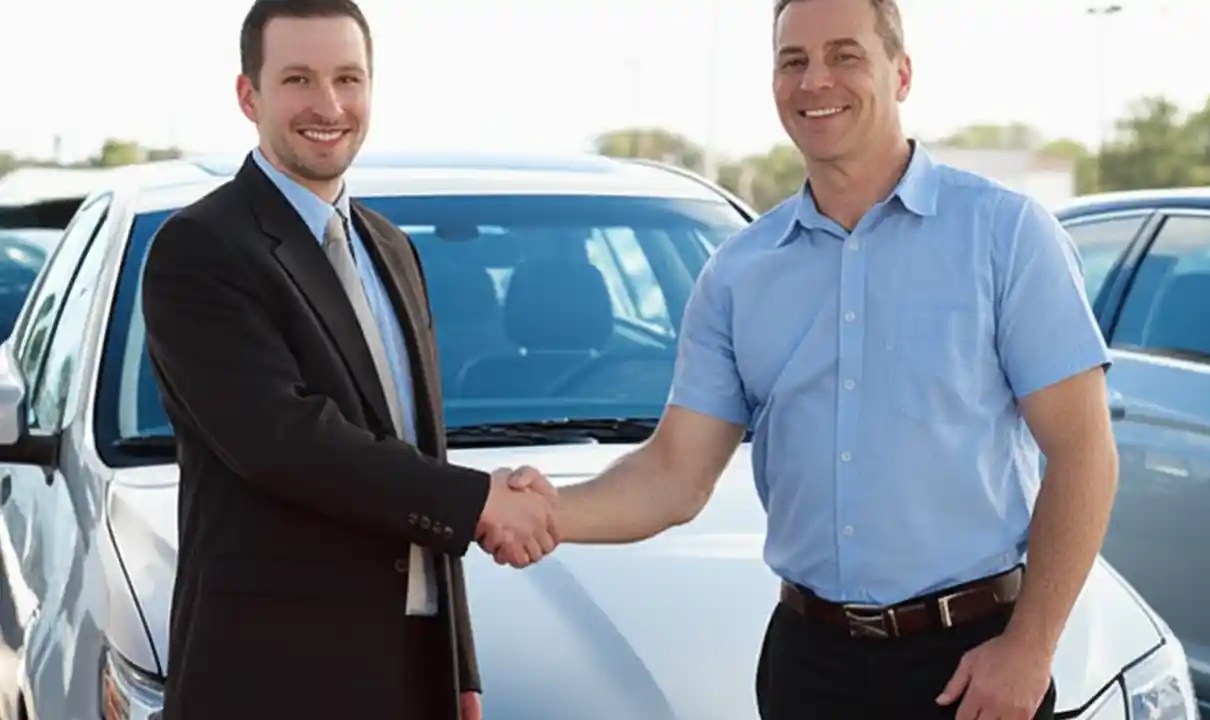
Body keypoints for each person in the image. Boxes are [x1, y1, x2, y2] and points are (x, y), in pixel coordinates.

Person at [497, 0, 1119, 717]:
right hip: (807, 666)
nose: (814, 81)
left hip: (971, 663)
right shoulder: (737, 273)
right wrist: (550, 511)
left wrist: (1030, 647)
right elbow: (673, 474)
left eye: (844, 55)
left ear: (901, 73)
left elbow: (1084, 455)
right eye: (792, 61)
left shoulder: (1005, 234)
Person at [141, 1, 556, 718]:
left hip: (411, 668)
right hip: (277, 675)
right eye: (298, 79)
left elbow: (419, 447)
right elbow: (285, 441)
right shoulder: (200, 248)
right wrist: (480, 500)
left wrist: (459, 664)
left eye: (348, 78)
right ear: (250, 95)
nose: (328, 105)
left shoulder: (390, 247)